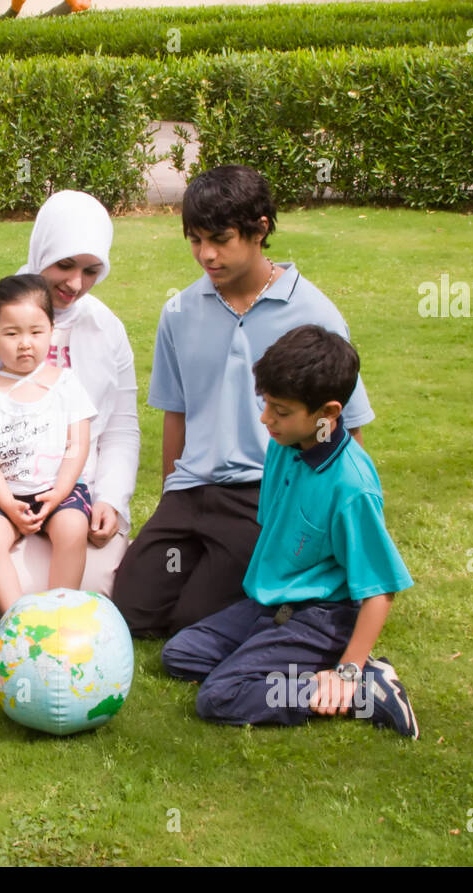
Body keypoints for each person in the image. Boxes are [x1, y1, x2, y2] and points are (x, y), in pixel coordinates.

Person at [111, 165, 374, 639]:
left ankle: (276, 591)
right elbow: (177, 412)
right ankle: (204, 562)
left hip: (263, 494)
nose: (206, 255)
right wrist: (171, 494)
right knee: (132, 611)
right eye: (194, 240)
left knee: (193, 622)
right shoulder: (179, 312)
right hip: (190, 491)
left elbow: (346, 426)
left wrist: (318, 522)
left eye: (220, 239)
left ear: (260, 229)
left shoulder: (315, 314)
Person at [161, 326, 417, 737]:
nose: (266, 419)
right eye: (266, 405)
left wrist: (347, 671)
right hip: (271, 604)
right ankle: (305, 667)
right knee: (180, 655)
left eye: (280, 411)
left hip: (321, 616)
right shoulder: (287, 445)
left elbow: (379, 590)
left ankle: (361, 688)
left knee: (218, 696)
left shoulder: (352, 486)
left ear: (328, 413)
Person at [0, 190, 139, 623]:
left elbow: (120, 429)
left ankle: (51, 612)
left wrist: (111, 500)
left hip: (72, 503)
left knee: (113, 582)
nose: (75, 283)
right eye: (64, 265)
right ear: (40, 249)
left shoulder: (105, 328)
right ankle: (21, 620)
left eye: (91, 270)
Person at [0, 274, 98, 614]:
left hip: (58, 491)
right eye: (11, 333)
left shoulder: (65, 383)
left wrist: (61, 491)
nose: (25, 343)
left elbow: (78, 443)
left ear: (52, 330)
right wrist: (6, 504)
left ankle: (61, 611)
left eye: (36, 332)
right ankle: (17, 617)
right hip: (5, 496)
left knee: (73, 527)